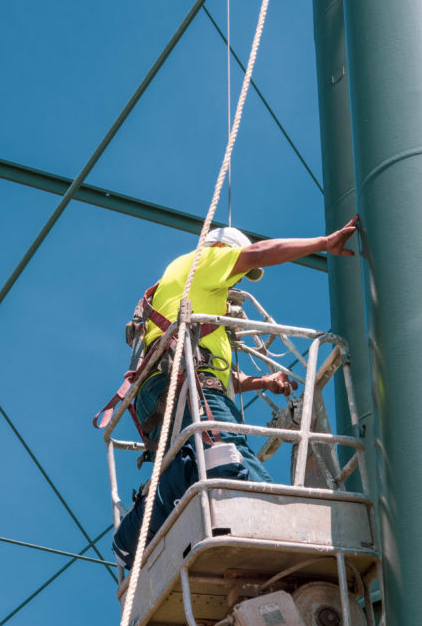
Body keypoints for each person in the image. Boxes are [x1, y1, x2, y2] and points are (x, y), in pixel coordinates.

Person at [112, 218, 359, 568]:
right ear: (220, 250)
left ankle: (130, 539)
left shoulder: (186, 292)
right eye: (238, 266)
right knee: (228, 455)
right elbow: (259, 253)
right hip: (187, 384)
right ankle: (281, 528)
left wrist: (263, 382)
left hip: (167, 387)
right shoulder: (203, 262)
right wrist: (324, 242)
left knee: (189, 463)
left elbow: (216, 369)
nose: (238, 278)